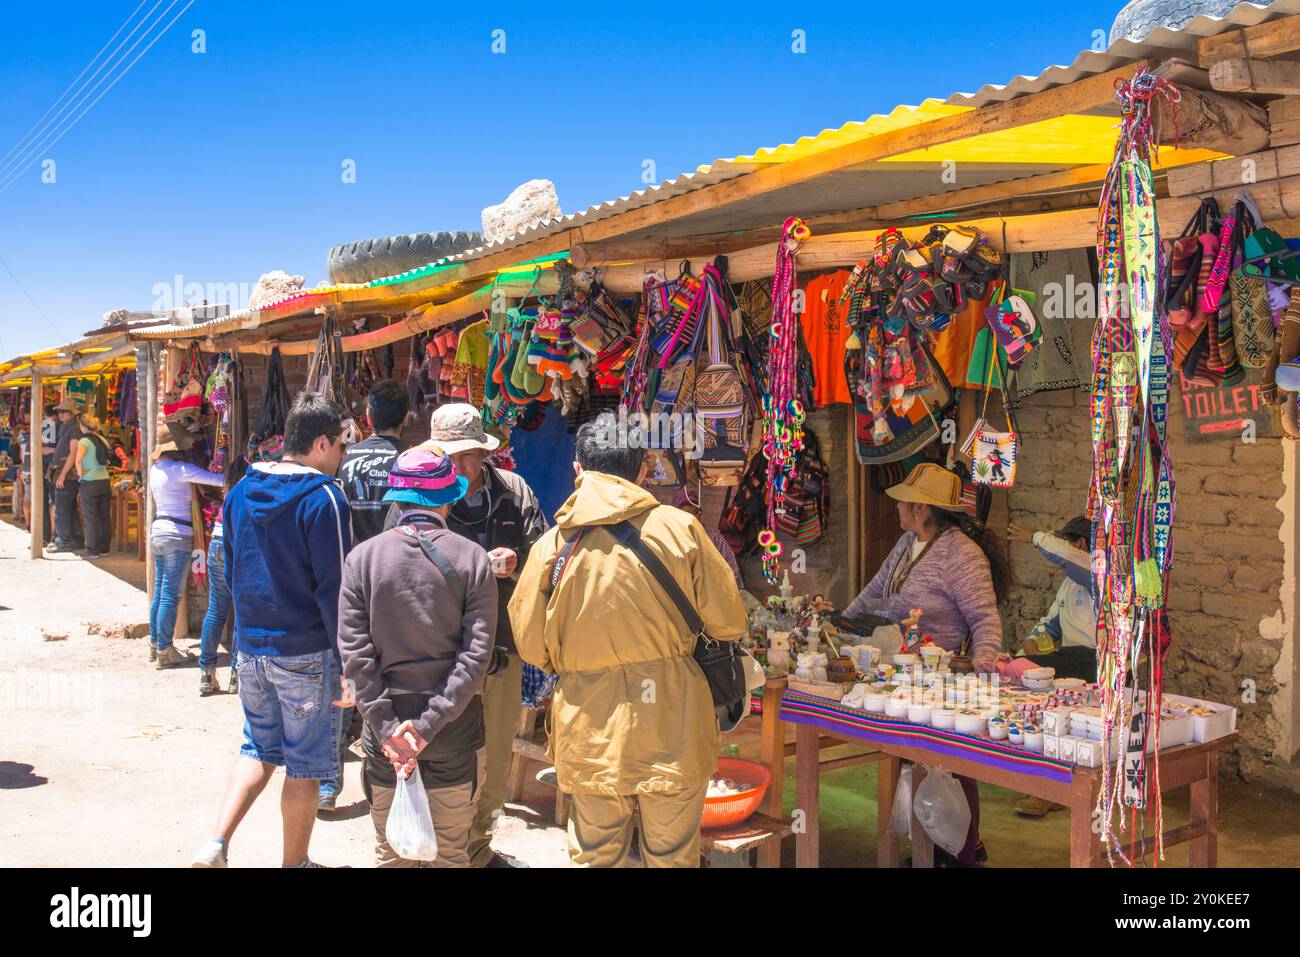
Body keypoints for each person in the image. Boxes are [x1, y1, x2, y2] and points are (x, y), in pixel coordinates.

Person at [509, 412, 747, 867]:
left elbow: (532, 646)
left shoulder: (552, 546)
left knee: (596, 857)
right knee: (673, 857)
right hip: (673, 722)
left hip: (589, 726)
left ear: (578, 470)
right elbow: (729, 622)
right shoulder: (682, 529)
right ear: (643, 470)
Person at [191, 393, 352, 868]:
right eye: (341, 444)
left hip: (252, 647)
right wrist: (348, 664)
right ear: (320, 443)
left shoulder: (240, 490)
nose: (343, 455)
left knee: (257, 749)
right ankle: (295, 864)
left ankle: (216, 844)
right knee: (303, 767)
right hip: (305, 652)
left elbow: (234, 567)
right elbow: (336, 589)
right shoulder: (325, 497)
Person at [338, 446, 498, 867]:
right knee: (450, 855)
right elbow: (475, 656)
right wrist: (426, 728)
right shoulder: (473, 559)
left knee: (394, 856)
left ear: (397, 498)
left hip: (384, 742)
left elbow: (355, 656)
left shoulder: (361, 560)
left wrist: (390, 728)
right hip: (452, 737)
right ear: (449, 498)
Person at [840, 462, 1004, 867]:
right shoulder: (905, 546)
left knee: (954, 766)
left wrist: (985, 670)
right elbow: (876, 590)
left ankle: (959, 853)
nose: (896, 508)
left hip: (945, 679)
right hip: (904, 675)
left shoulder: (962, 554)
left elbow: (985, 618)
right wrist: (843, 623)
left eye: (904, 502)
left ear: (922, 510)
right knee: (917, 762)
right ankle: (933, 845)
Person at [427, 403, 546, 868]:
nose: (459, 466)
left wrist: (519, 562)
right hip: (442, 653)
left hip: (501, 647)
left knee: (494, 764)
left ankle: (476, 848)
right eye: (449, 455)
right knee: (445, 757)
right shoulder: (422, 496)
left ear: (484, 451)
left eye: (468, 455)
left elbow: (545, 555)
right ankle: (441, 850)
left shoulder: (513, 491)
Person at [1007, 515, 1096, 818]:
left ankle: (1050, 789)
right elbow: (1051, 623)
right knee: (1024, 673)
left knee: (1037, 684)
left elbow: (1069, 557)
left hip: (1099, 662)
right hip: (1074, 661)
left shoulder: (1103, 572)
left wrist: (1035, 535)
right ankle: (1050, 784)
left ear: (1081, 543)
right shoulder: (1070, 585)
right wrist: (1032, 643)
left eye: (1070, 541)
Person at [148, 430, 223, 668]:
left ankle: (155, 643)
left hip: (159, 531)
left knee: (161, 592)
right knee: (171, 595)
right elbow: (217, 480)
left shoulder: (155, 470)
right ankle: (164, 650)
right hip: (176, 534)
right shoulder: (178, 470)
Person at [339, 379, 411, 543]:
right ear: (406, 418)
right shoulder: (409, 460)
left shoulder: (345, 458)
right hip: (393, 559)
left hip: (353, 561)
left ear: (368, 417)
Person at [72, 414, 113, 557]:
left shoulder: (84, 441)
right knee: (104, 516)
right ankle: (104, 548)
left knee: (91, 517)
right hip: (104, 481)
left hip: (90, 482)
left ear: (83, 426)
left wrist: (81, 473)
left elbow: (78, 461)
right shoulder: (102, 439)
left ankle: (92, 549)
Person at [45, 399, 83, 553]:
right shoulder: (67, 428)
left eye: (64, 411)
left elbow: (73, 453)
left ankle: (64, 541)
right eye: (59, 411)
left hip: (67, 475)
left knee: (61, 509)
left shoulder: (73, 429)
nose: (61, 414)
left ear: (71, 413)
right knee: (70, 508)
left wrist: (62, 474)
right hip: (65, 474)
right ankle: (75, 540)